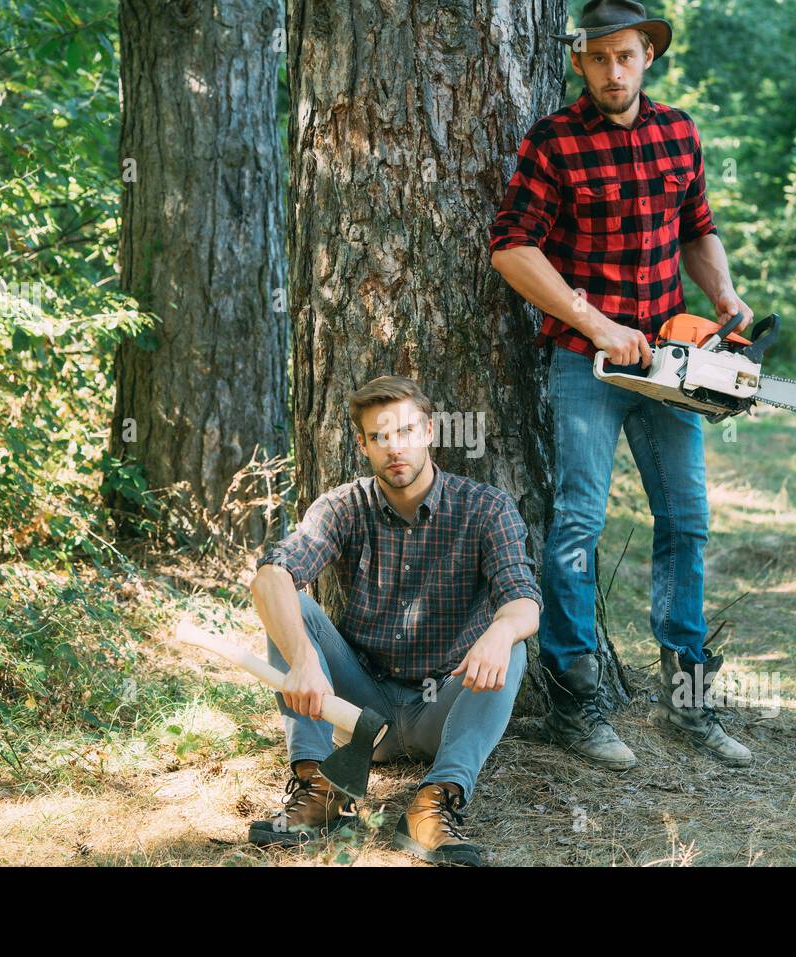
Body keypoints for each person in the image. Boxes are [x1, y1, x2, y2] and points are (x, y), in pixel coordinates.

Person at [489, 0, 753, 768]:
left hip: (671, 359)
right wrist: (596, 322)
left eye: (627, 56)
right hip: (589, 361)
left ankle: (689, 704)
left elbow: (697, 227)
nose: (613, 71)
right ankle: (576, 704)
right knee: (577, 523)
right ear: (579, 61)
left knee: (687, 519)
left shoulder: (679, 132)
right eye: (599, 57)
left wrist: (724, 297)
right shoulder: (553, 142)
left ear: (649, 56)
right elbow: (511, 249)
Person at [249, 375, 542, 865]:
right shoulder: (343, 506)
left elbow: (523, 600)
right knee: (289, 604)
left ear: (428, 431)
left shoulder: (486, 507)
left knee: (510, 643)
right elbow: (269, 579)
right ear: (362, 444)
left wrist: (501, 630)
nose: (394, 448)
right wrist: (303, 659)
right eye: (380, 437)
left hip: (444, 705)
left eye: (406, 431)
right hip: (358, 710)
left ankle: (434, 804)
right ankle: (319, 787)